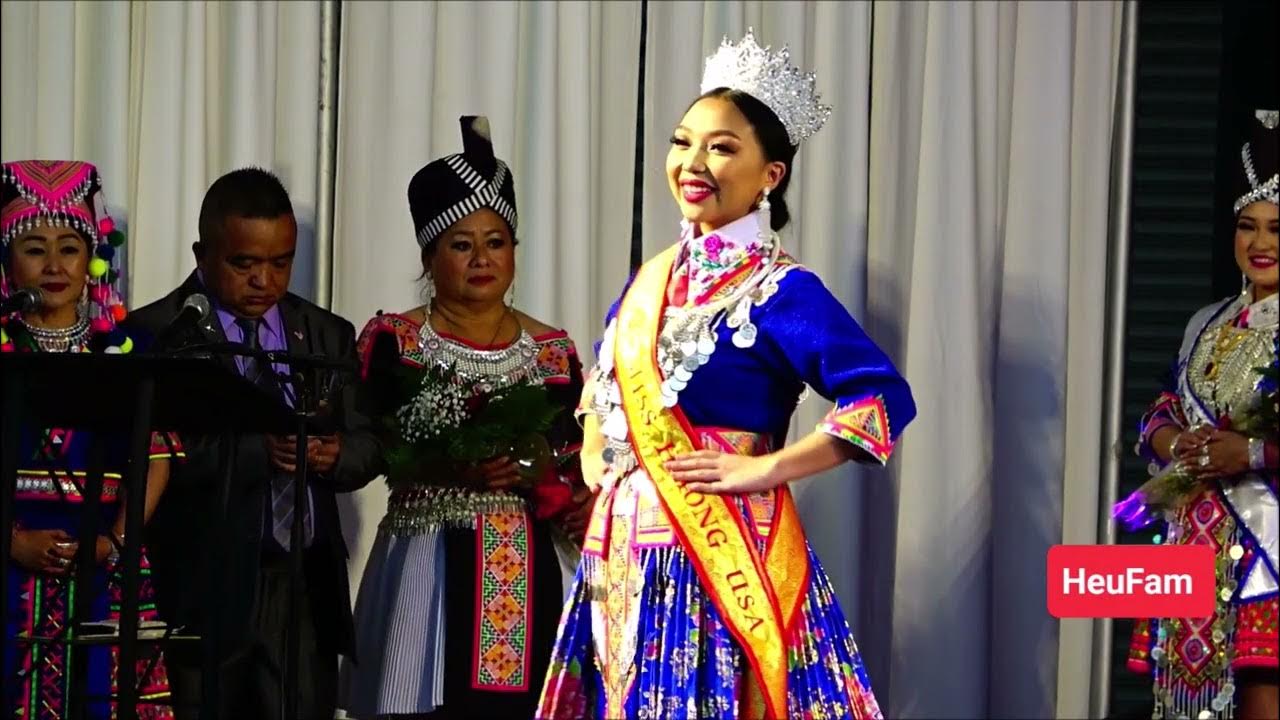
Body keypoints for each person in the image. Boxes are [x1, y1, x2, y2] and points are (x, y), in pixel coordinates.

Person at [537, 30, 917, 720]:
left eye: (721, 147)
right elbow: (604, 379)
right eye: (682, 142)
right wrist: (595, 446)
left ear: (771, 174)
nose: (693, 163)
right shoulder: (651, 280)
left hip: (722, 554)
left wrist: (765, 470)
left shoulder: (783, 290)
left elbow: (882, 396)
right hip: (621, 551)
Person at [338, 116, 594, 720]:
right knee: (421, 698)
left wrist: (570, 490)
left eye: (496, 242)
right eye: (461, 244)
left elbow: (580, 455)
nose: (482, 259)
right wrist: (450, 466)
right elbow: (370, 443)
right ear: (430, 256)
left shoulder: (553, 351)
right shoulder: (394, 342)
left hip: (532, 565)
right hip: (426, 562)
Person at [124, 167, 383, 720]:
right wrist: (256, 453)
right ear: (202, 255)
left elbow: (370, 442)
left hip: (304, 589)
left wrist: (335, 454)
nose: (264, 280)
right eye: (243, 264)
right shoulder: (156, 333)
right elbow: (148, 459)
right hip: (199, 585)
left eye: (280, 262)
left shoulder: (325, 333)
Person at [2, 160, 178, 719]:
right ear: (8, 260)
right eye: (34, 248)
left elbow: (155, 460)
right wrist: (11, 542)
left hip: (104, 561)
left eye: (70, 248)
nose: (54, 266)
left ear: (93, 258)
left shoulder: (124, 350)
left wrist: (115, 543)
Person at [1127, 110, 1279, 720]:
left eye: (1277, 229)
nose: (1260, 244)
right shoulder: (1207, 323)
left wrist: (1253, 452)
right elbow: (1163, 405)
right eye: (1248, 227)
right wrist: (1171, 440)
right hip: (1197, 544)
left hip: (1268, 550)